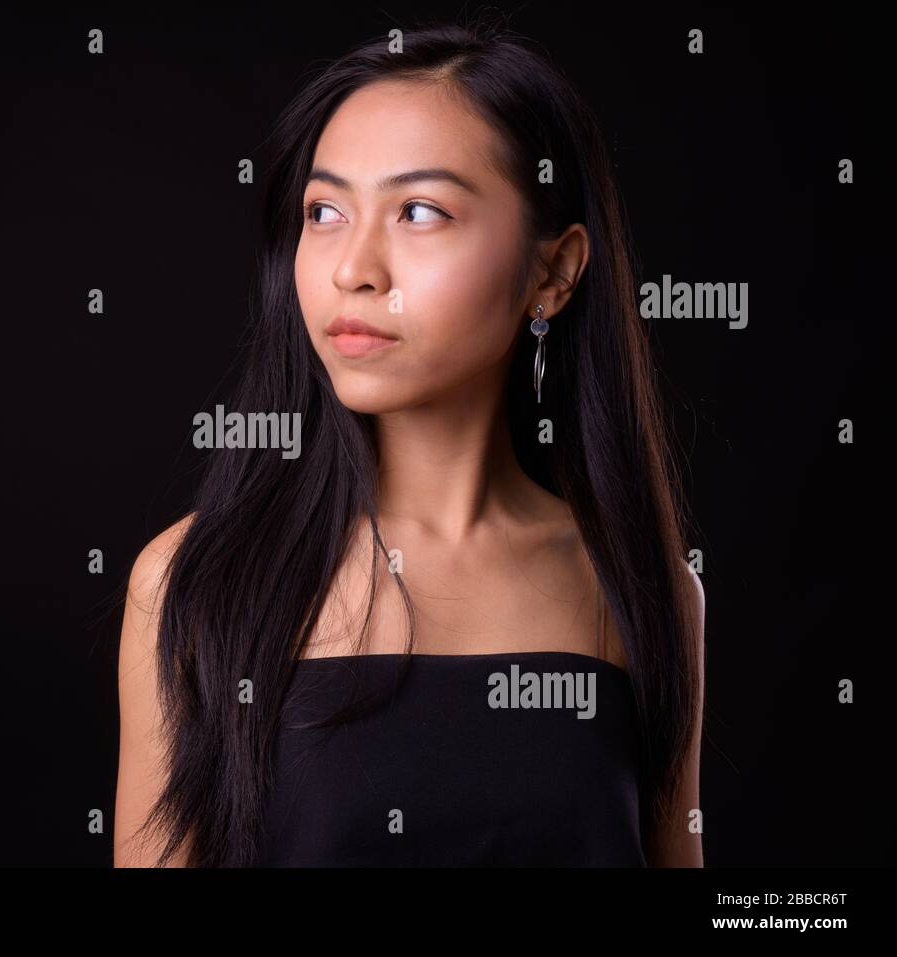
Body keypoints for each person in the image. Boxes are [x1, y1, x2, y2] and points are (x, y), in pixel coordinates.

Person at [115, 19, 704, 868]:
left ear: (553, 272)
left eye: (419, 211)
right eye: (324, 211)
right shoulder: (194, 583)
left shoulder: (643, 584)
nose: (354, 268)